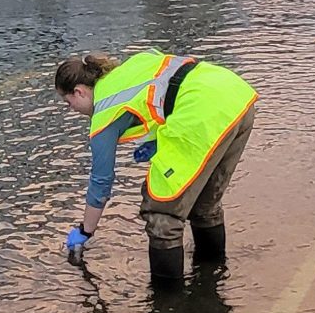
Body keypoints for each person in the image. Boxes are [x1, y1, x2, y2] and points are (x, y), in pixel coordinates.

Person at [55, 50, 259, 286]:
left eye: (68, 103)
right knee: (204, 203)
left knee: (162, 213)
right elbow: (167, 91)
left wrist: (85, 230)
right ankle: (213, 278)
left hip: (203, 112)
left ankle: (167, 305)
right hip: (235, 96)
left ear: (79, 91)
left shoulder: (104, 113)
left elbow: (101, 181)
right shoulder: (127, 71)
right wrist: (157, 142)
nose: (72, 109)